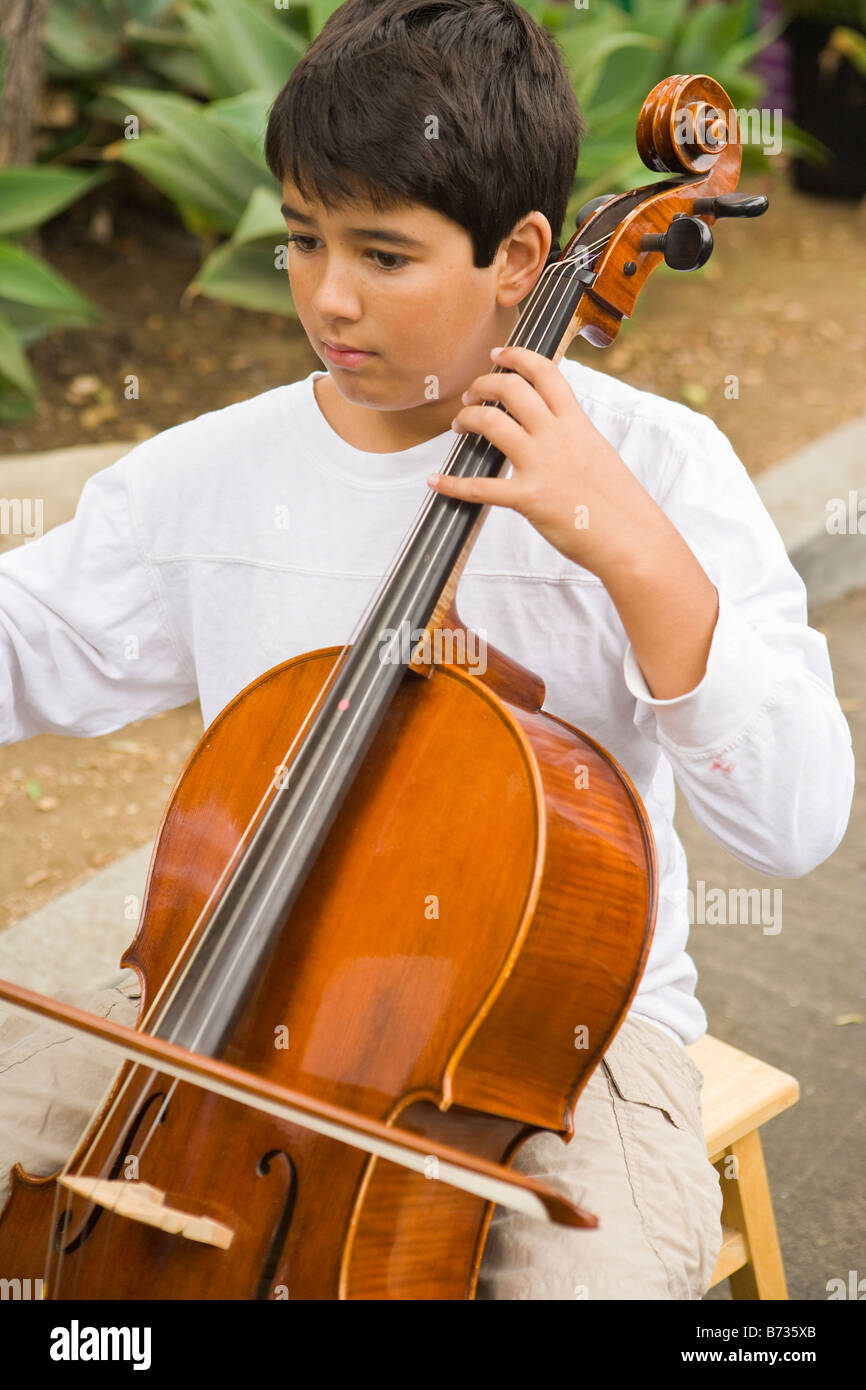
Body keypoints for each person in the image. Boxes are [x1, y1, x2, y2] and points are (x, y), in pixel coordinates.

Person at [0, 0, 854, 1300]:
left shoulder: (663, 472)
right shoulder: (212, 478)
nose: (326, 295)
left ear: (520, 253)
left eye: (383, 255)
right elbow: (25, 639)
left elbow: (794, 821)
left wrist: (626, 547)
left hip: (561, 1041)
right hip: (228, 985)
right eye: (300, 238)